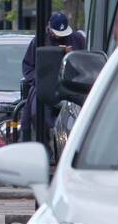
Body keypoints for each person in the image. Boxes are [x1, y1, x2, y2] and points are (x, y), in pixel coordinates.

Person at [20, 11, 87, 141]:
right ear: (49, 28)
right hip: (47, 86)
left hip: (71, 86)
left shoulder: (77, 39)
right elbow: (28, 66)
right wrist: (39, 80)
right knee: (37, 112)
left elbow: (84, 62)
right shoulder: (39, 40)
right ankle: (49, 142)